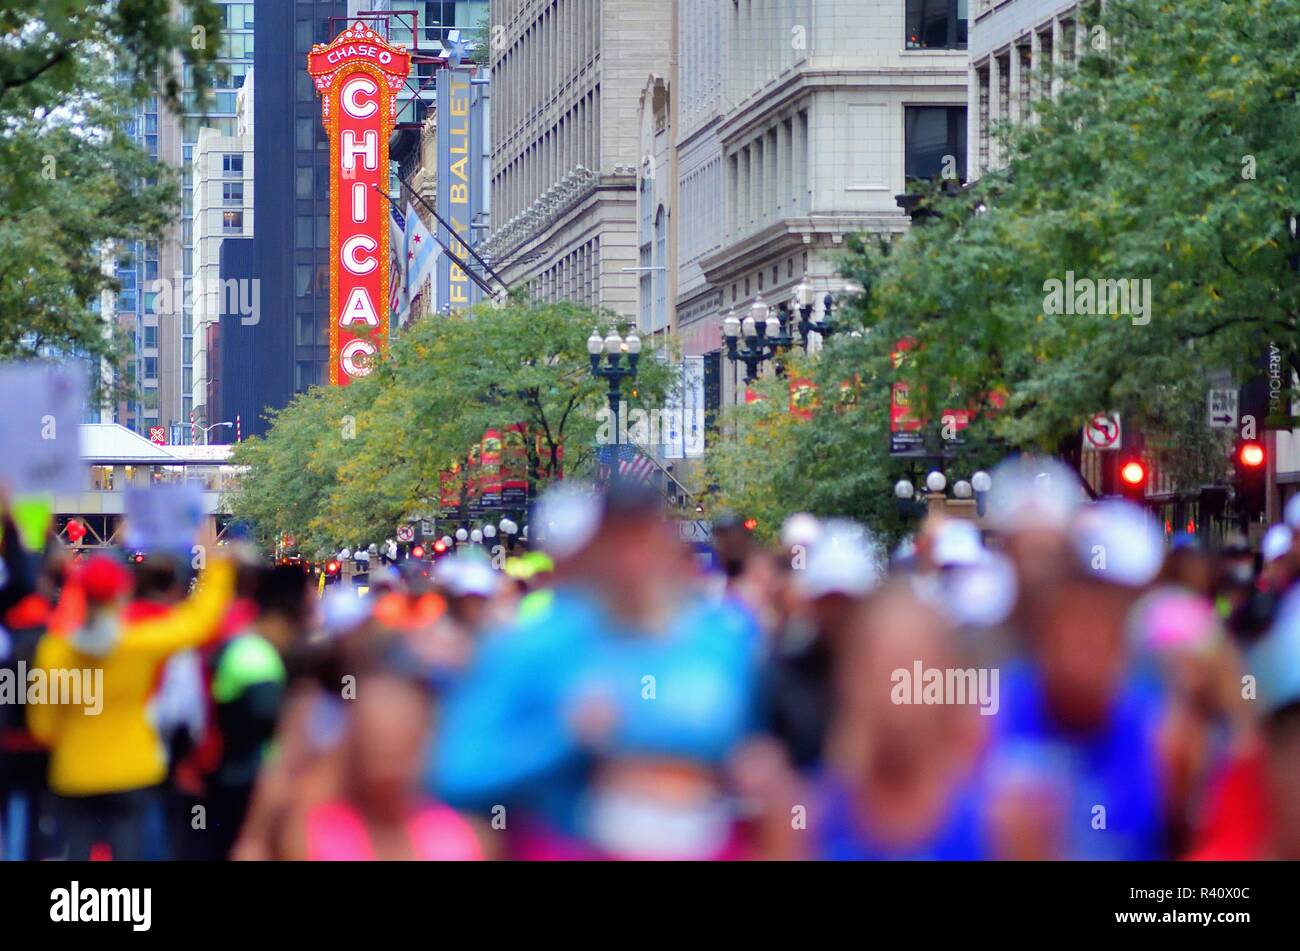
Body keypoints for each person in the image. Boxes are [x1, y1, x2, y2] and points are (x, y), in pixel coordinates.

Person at [432, 479, 764, 860]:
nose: (634, 559)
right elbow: (456, 773)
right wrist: (562, 737)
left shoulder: (722, 638)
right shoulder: (531, 645)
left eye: (645, 536)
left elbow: (763, 756)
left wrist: (754, 774)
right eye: (619, 540)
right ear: (595, 550)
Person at [27, 555, 235, 860]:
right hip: (133, 772)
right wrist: (218, 567)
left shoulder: (53, 652)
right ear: (121, 594)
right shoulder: (136, 646)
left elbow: (43, 728)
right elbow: (198, 624)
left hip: (74, 774)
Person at [279, 652, 482, 861]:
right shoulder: (321, 831)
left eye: (399, 728)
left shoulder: (452, 838)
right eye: (376, 732)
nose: (387, 745)